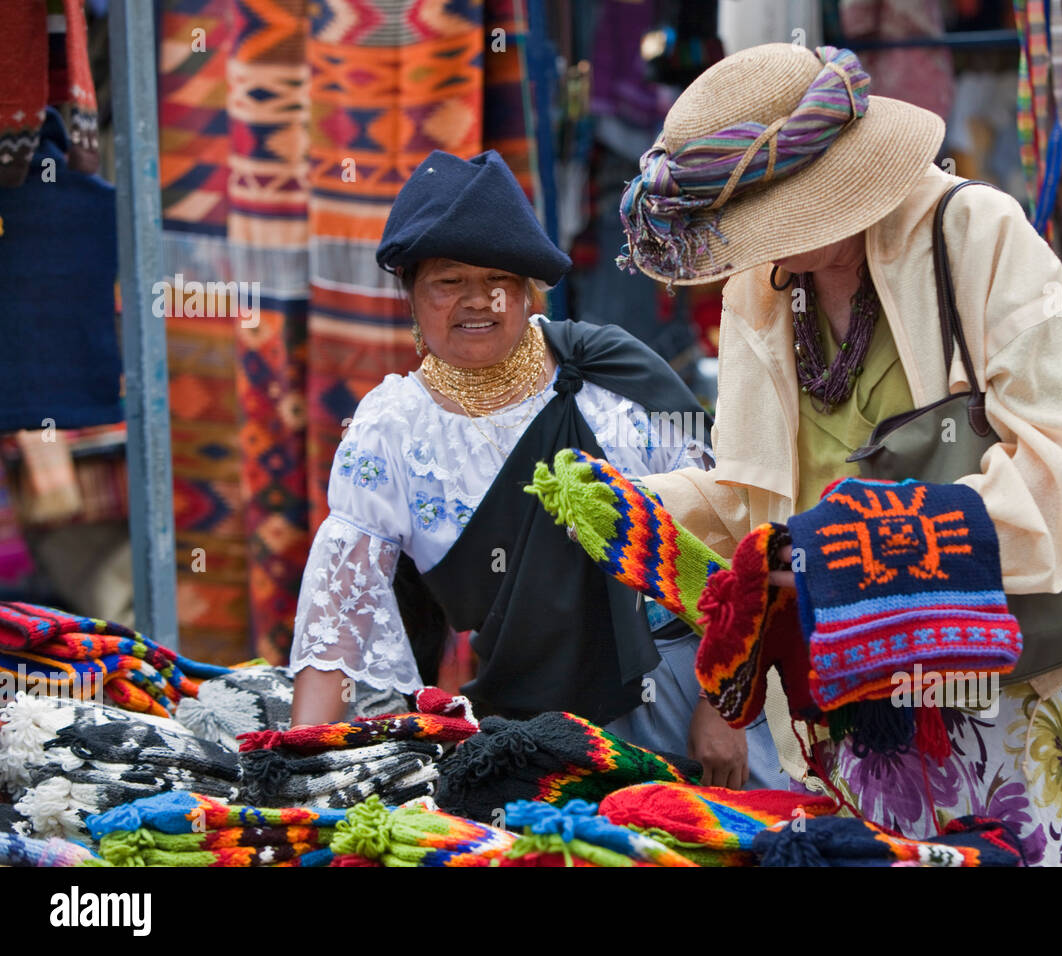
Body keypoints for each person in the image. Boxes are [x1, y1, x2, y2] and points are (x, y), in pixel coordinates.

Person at [616, 43, 1062, 865]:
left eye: (769, 224)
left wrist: (852, 554)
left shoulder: (973, 230)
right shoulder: (761, 290)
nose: (756, 249)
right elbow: (755, 500)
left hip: (1007, 691)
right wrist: (633, 506)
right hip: (853, 702)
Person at [288, 148, 783, 789]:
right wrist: (296, 771)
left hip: (689, 690)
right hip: (533, 731)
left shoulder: (610, 380)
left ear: (528, 293)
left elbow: (734, 542)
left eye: (499, 278)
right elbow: (337, 618)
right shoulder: (389, 430)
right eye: (447, 280)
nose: (478, 301)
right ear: (410, 294)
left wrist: (726, 712)